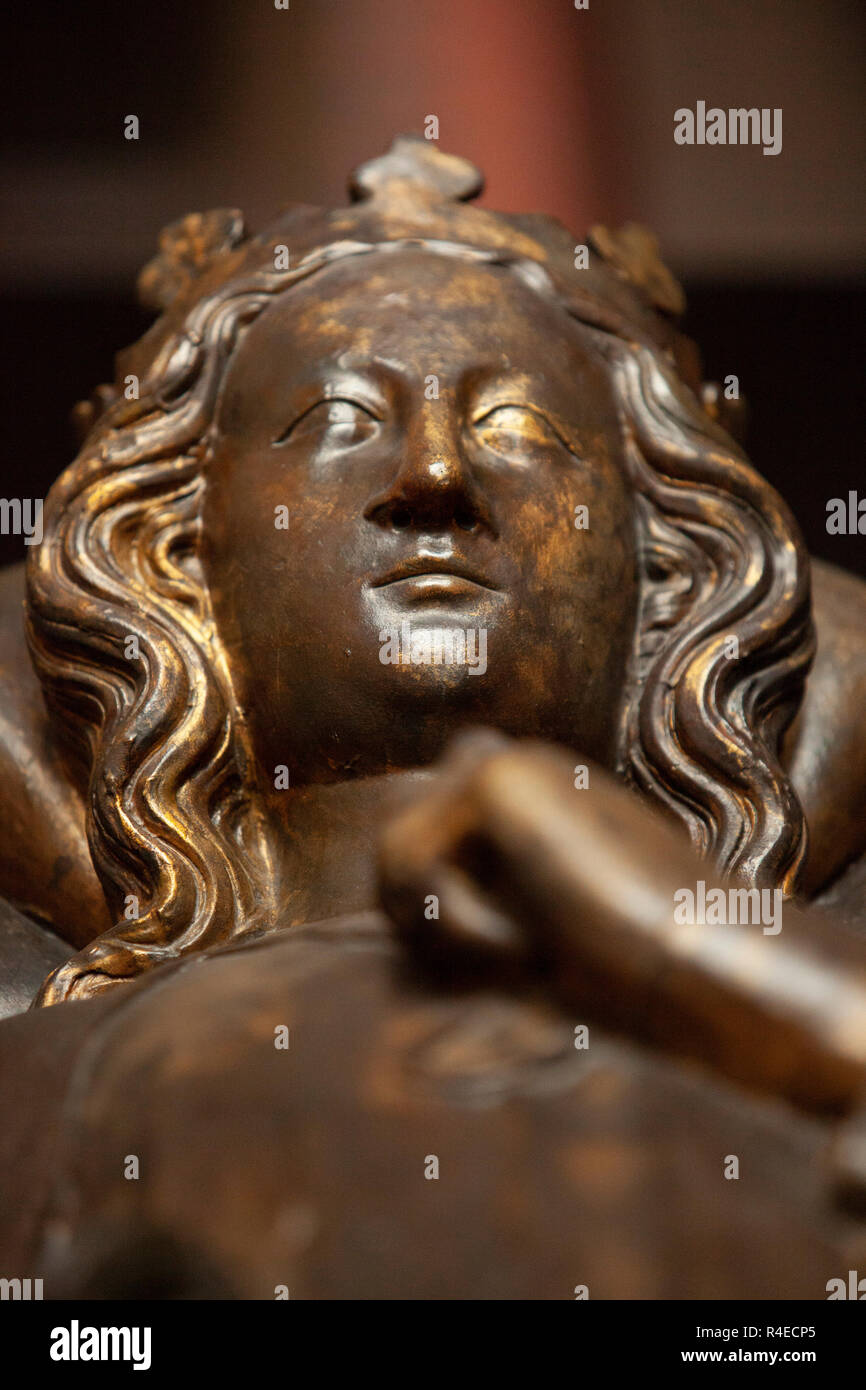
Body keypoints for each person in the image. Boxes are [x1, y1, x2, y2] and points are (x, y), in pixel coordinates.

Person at [0, 138, 864, 1297]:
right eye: (336, 416)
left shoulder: (780, 993)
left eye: (521, 429)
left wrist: (730, 961)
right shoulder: (43, 1070)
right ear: (177, 551)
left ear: (663, 569)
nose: (436, 474)